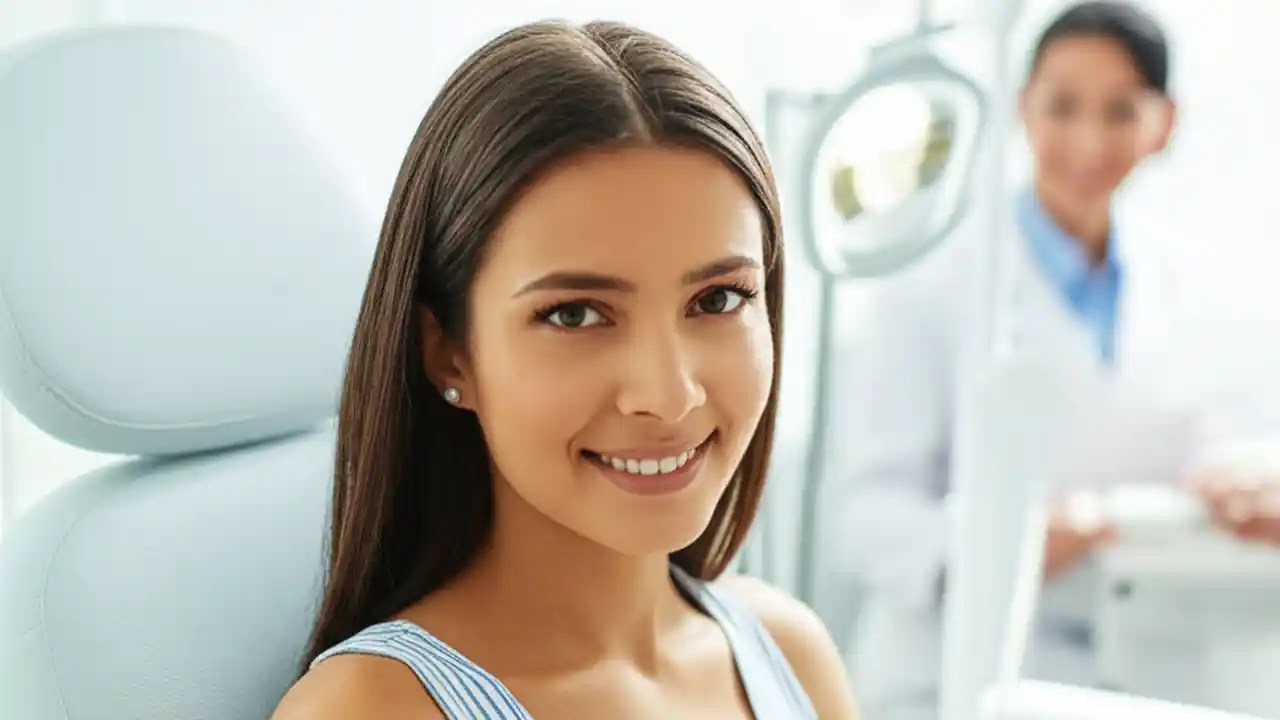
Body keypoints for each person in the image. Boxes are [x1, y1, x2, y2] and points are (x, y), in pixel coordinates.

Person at [271, 20, 859, 720]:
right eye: (577, 315)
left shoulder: (785, 652)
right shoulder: (370, 709)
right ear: (448, 353)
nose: (669, 396)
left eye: (718, 299)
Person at [825, 3, 1189, 718]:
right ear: (1024, 109)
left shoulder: (1192, 292)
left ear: (1163, 124)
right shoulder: (931, 287)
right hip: (939, 678)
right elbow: (863, 517)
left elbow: (1206, 443)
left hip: (1126, 669)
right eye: (1062, 107)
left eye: (1121, 110)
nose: (1088, 140)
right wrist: (1013, 541)